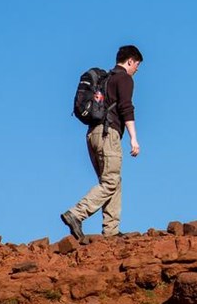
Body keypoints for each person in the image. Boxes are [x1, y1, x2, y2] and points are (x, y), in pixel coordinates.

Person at [61, 45, 143, 240]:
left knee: (113, 181)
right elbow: (126, 107)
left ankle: (111, 231)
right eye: (137, 64)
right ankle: (76, 213)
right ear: (130, 61)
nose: (137, 69)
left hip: (93, 135)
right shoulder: (124, 78)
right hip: (108, 134)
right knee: (110, 181)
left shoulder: (106, 79)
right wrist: (134, 139)